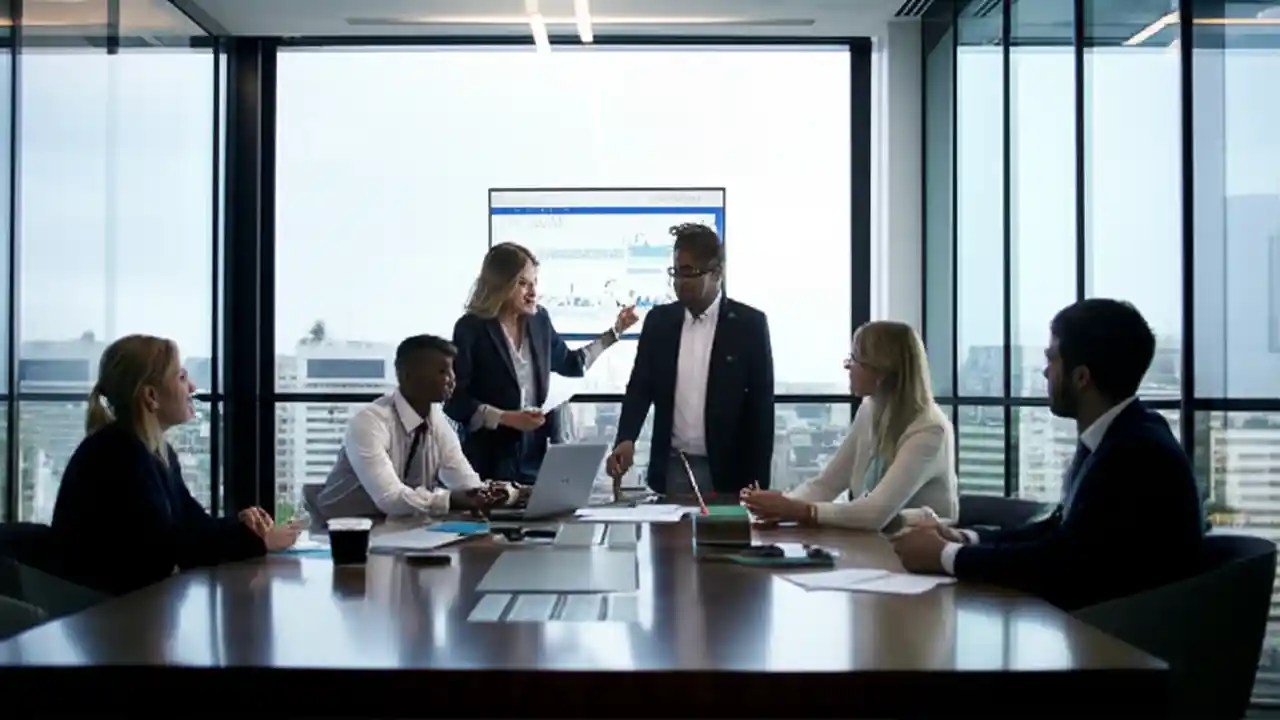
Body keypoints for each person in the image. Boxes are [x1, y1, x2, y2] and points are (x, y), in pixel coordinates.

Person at [892, 299, 1204, 610]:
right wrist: (964, 539)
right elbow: (1056, 532)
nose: (1045, 372)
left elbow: (1061, 563)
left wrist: (944, 556)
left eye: (1052, 359)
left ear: (1081, 377)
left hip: (1119, 638)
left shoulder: (1134, 453)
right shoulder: (1118, 435)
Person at [50, 335, 299, 596]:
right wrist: (258, 540)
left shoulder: (153, 452)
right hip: (108, 617)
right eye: (181, 378)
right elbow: (169, 548)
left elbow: (194, 526)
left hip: (129, 613)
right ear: (151, 396)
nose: (191, 387)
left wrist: (244, 525)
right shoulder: (117, 455)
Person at [447, 242, 638, 484]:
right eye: (523, 283)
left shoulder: (539, 321)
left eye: (534, 282)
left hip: (532, 459)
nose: (533, 292)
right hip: (486, 461)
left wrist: (615, 331)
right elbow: (455, 401)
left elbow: (573, 364)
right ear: (500, 284)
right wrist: (505, 417)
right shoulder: (471, 328)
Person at [607, 223, 774, 498]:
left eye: (688, 273)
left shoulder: (749, 325)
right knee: (671, 541)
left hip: (730, 473)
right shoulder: (660, 322)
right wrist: (626, 438)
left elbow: (761, 408)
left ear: (717, 273)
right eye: (675, 272)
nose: (679, 282)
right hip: (674, 466)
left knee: (724, 542)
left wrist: (758, 485)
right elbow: (640, 387)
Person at [741, 321, 957, 531]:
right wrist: (777, 508)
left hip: (920, 551)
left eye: (855, 359)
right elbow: (827, 484)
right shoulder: (870, 409)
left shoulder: (929, 430)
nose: (847, 366)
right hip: (877, 544)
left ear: (880, 372)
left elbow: (874, 514)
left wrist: (798, 511)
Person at [315, 334, 515, 520]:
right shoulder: (369, 422)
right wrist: (451, 500)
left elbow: (466, 483)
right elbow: (390, 499)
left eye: (452, 370)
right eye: (442, 371)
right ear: (407, 376)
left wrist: (492, 494)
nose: (452, 379)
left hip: (400, 528)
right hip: (339, 531)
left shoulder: (438, 424)